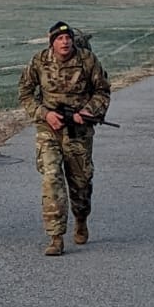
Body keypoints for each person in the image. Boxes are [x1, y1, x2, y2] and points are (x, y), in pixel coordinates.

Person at [18, 20, 111, 257]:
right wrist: (44, 114)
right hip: (49, 130)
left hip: (79, 131)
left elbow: (102, 90)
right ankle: (56, 236)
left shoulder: (88, 60)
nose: (65, 42)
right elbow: (25, 93)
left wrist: (88, 111)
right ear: (52, 42)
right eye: (59, 39)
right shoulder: (39, 61)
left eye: (67, 38)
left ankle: (81, 218)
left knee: (80, 184)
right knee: (51, 179)